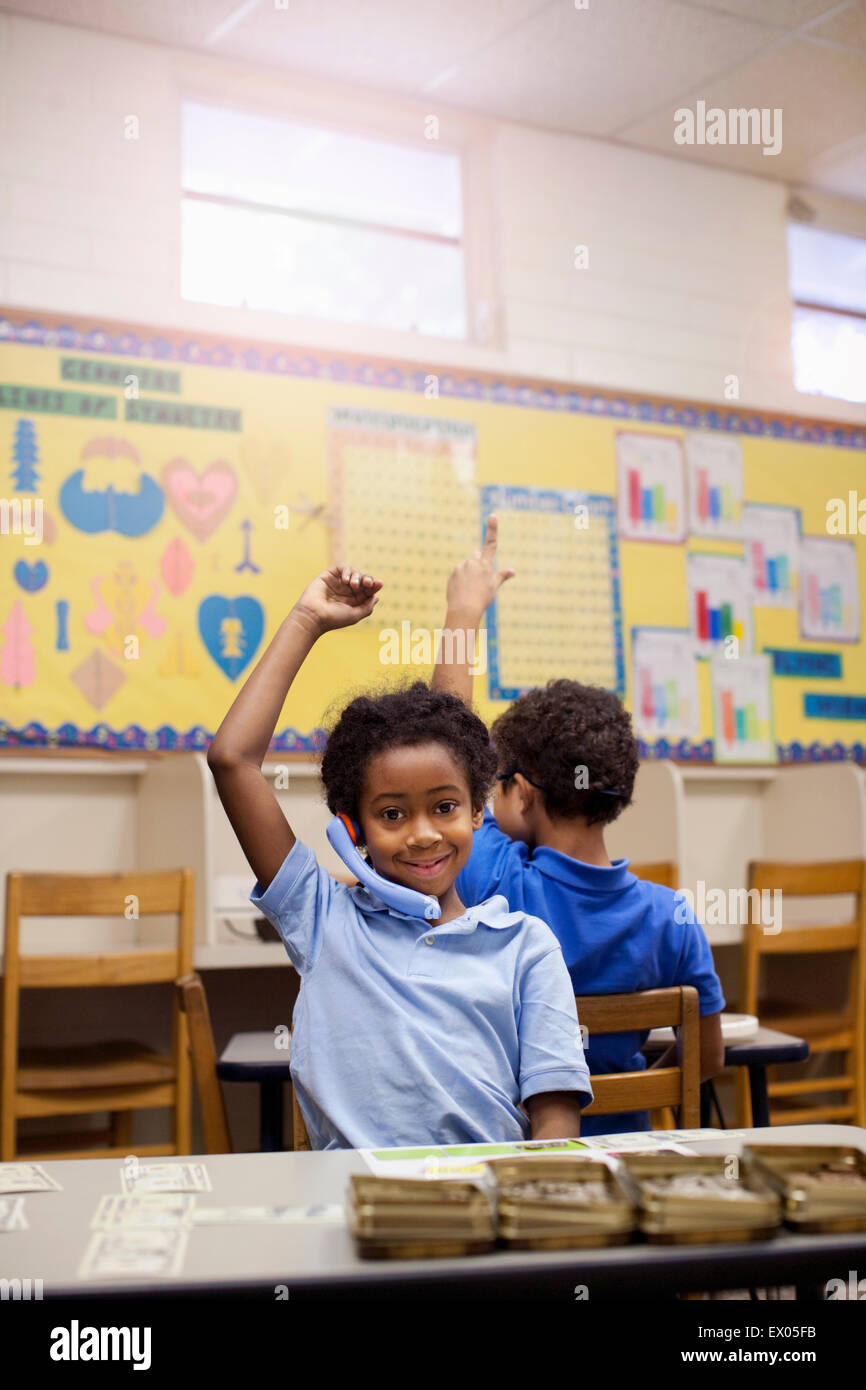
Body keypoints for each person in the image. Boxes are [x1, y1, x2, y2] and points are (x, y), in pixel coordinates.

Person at [207, 561, 593, 1150]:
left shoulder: (526, 945)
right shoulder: (322, 920)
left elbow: (556, 1119)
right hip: (355, 1208)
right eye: (391, 814)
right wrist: (308, 618)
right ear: (353, 827)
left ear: (476, 813)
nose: (422, 834)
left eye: (443, 807)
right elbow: (232, 760)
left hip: (487, 1201)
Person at [432, 520, 725, 1134]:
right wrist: (627, 1096)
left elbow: (447, 750)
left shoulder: (500, 881)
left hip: (519, 1157)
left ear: (524, 791)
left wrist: (464, 613)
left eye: (497, 782)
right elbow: (707, 1058)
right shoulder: (671, 915)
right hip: (628, 1161)